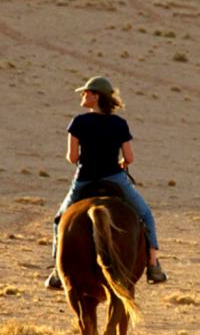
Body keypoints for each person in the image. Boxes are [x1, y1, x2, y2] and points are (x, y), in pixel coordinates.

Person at [46, 76, 168, 288]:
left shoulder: (78, 122)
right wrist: (121, 162)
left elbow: (72, 158)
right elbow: (129, 158)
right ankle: (153, 266)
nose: (82, 95)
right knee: (146, 214)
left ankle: (57, 270)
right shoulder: (120, 124)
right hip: (115, 179)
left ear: (96, 96)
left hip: (84, 180)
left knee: (60, 220)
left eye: (86, 92)